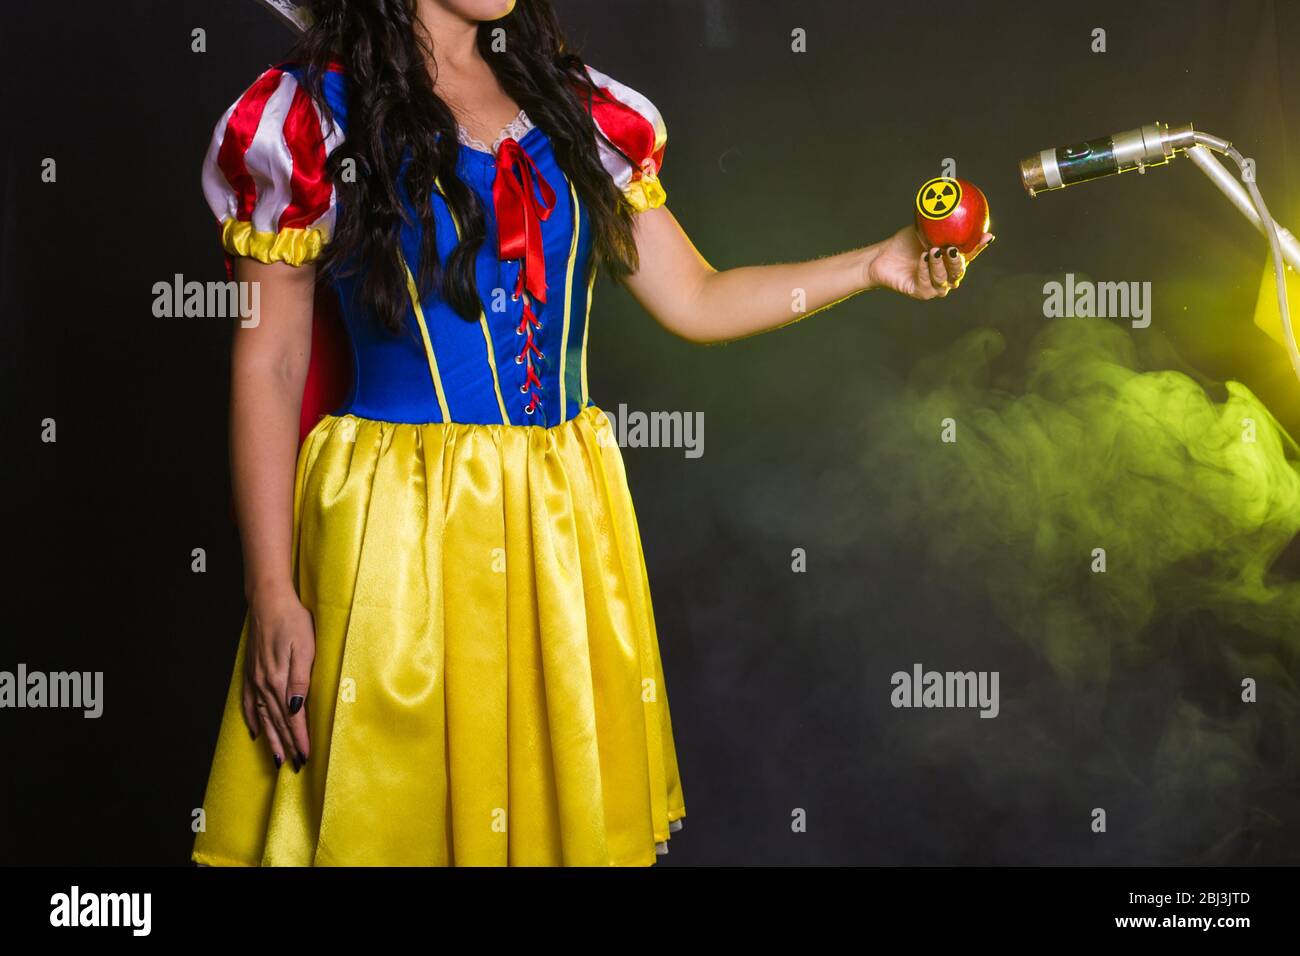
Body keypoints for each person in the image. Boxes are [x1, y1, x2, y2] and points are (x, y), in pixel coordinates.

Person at [191, 0, 993, 867]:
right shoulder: (307, 118)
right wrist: (272, 590)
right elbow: (269, 363)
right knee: (398, 823)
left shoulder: (576, 105)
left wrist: (876, 263)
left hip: (563, 520)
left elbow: (696, 299)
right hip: (400, 526)